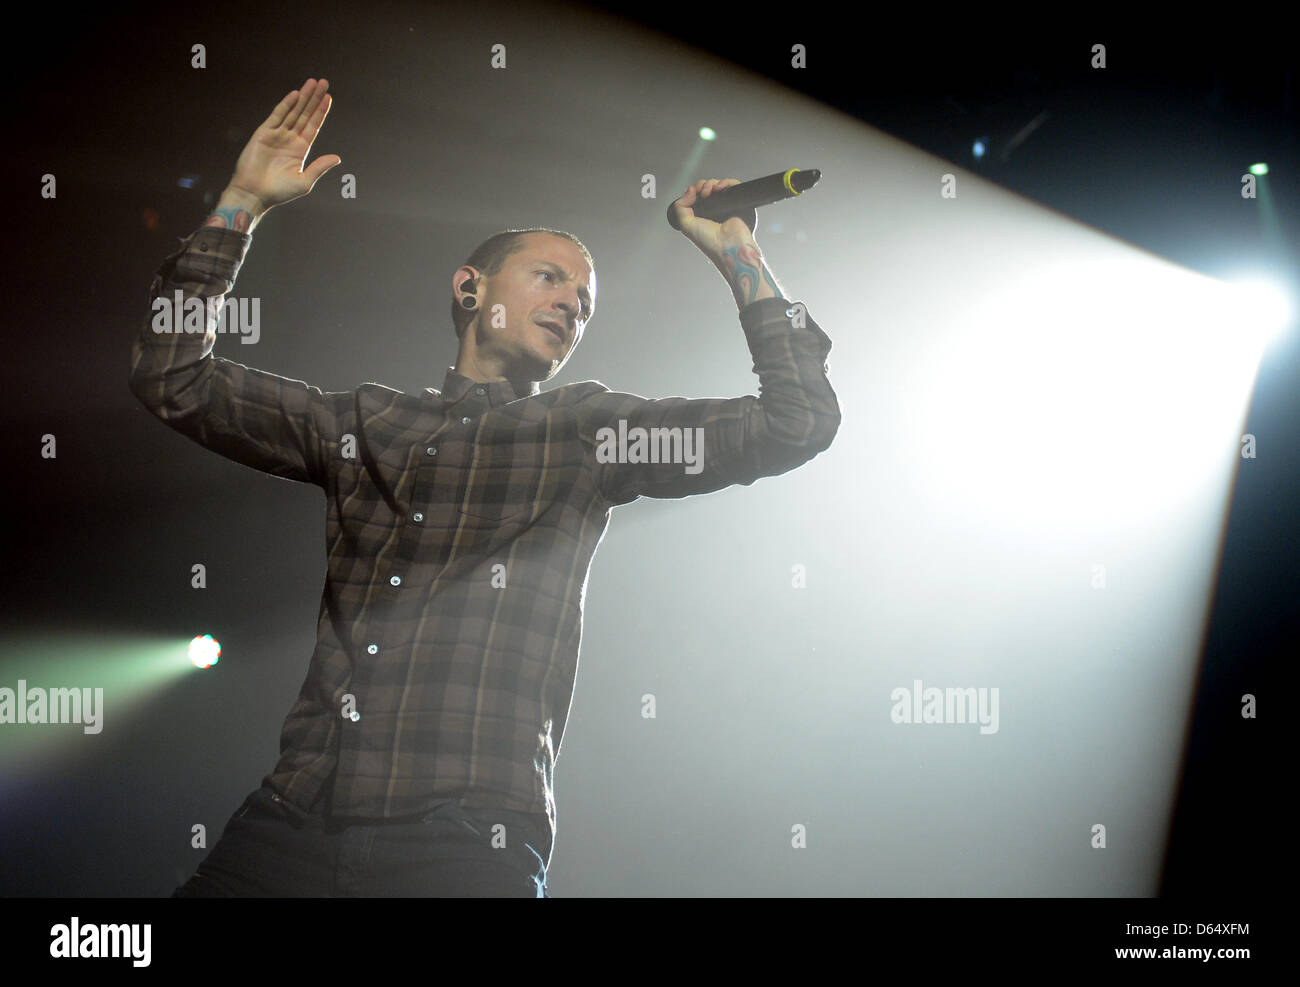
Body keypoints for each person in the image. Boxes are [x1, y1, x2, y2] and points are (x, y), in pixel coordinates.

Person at [132, 78, 841, 897]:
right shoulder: (364, 421)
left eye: (585, 302)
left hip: (466, 837)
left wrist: (737, 251)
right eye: (549, 278)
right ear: (471, 289)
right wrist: (240, 204)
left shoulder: (589, 430)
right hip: (294, 816)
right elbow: (172, 377)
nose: (573, 304)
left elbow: (796, 421)